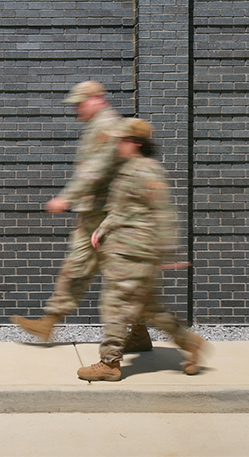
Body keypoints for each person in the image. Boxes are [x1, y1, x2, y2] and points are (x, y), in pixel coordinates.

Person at [8, 81, 149, 352]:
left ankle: (143, 330)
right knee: (80, 267)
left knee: (116, 276)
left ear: (97, 99)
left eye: (79, 103)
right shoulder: (97, 125)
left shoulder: (108, 125)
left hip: (108, 216)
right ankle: (50, 322)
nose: (75, 109)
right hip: (94, 213)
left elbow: (96, 168)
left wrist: (67, 196)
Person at [75, 118, 207, 380]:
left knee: (114, 303)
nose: (117, 145)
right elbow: (123, 209)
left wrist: (166, 253)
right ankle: (191, 344)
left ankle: (109, 363)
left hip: (136, 253)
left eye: (121, 140)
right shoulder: (128, 169)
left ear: (135, 142)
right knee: (150, 309)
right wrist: (102, 229)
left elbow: (164, 213)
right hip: (126, 251)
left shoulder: (147, 171)